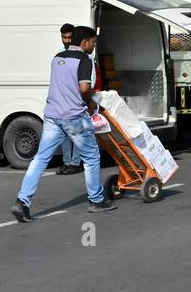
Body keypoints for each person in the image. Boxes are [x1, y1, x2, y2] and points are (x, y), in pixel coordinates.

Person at [11, 25, 114, 221]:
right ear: (84, 42)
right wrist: (91, 102)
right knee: (91, 157)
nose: (93, 45)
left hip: (52, 115)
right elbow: (84, 88)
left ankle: (22, 202)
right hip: (74, 117)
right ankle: (96, 200)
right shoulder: (85, 60)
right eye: (92, 42)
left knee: (40, 159)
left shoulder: (57, 57)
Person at [55, 23, 83, 176]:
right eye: (64, 37)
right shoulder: (59, 55)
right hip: (63, 101)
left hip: (76, 99)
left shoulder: (83, 56)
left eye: (69, 37)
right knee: (65, 134)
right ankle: (67, 162)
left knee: (77, 133)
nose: (66, 40)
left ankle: (75, 162)